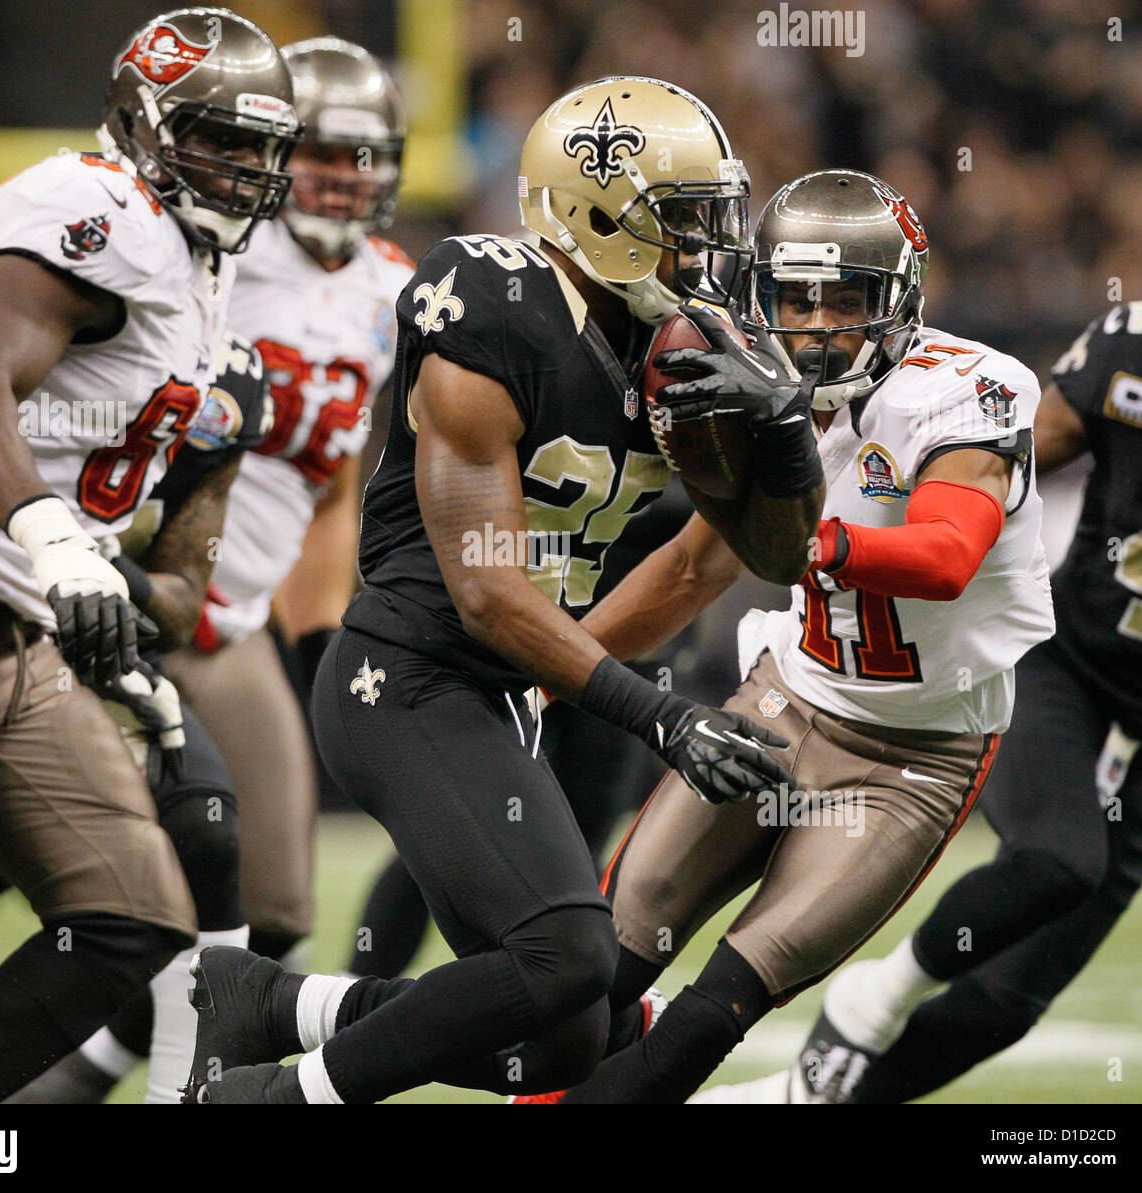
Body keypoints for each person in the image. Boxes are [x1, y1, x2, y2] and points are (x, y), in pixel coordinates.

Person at [183, 75, 825, 1105]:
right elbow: (482, 591)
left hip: (503, 685)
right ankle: (271, 1096)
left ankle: (271, 1001)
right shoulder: (491, 301)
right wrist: (658, 714)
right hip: (407, 670)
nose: (709, 247)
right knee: (567, 955)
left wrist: (787, 437)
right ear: (596, 209)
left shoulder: (688, 337)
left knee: (570, 1037)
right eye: (683, 219)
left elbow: (759, 552)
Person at [538, 168, 1055, 1103]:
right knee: (588, 979)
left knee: (708, 1016)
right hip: (784, 703)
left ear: (895, 303)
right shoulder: (768, 389)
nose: (816, 327)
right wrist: (554, 668)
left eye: (846, 300)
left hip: (914, 761)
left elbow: (944, 555)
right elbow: (696, 568)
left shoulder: (968, 388)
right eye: (794, 300)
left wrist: (797, 535)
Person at [0, 7, 300, 1103]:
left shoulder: (201, 270)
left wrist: (92, 597)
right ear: (141, 123)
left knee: (130, 914)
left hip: (23, 610)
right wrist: (57, 543)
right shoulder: (96, 206)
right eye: (219, 139)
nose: (247, 168)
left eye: (262, 146)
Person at [699, 299, 1142, 1104]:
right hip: (1073, 670)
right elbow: (1001, 461)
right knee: (1059, 858)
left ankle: (800, 1100)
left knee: (1008, 1001)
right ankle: (876, 992)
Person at [163, 36, 414, 967]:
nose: (347, 178)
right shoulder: (209, 251)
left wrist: (319, 640)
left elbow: (333, 483)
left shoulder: (392, 288)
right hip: (133, 585)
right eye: (320, 153)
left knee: (274, 907)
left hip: (228, 620)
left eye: (369, 155)